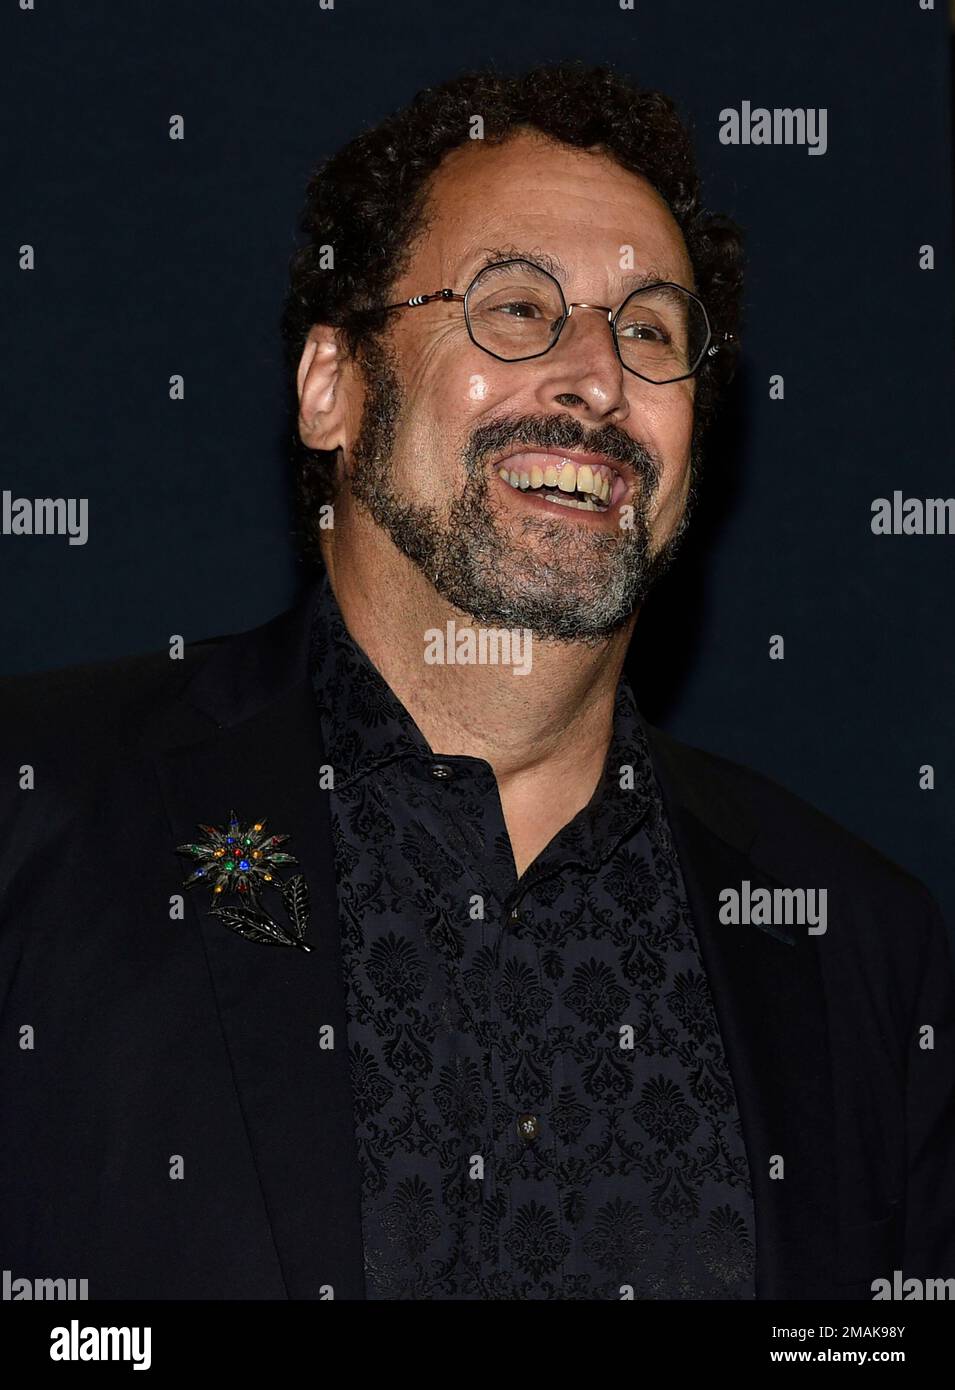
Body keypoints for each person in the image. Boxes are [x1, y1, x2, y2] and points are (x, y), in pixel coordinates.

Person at [2, 63, 953, 1301]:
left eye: (652, 330)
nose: (597, 378)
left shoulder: (859, 949)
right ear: (332, 386)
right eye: (515, 307)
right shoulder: (37, 816)